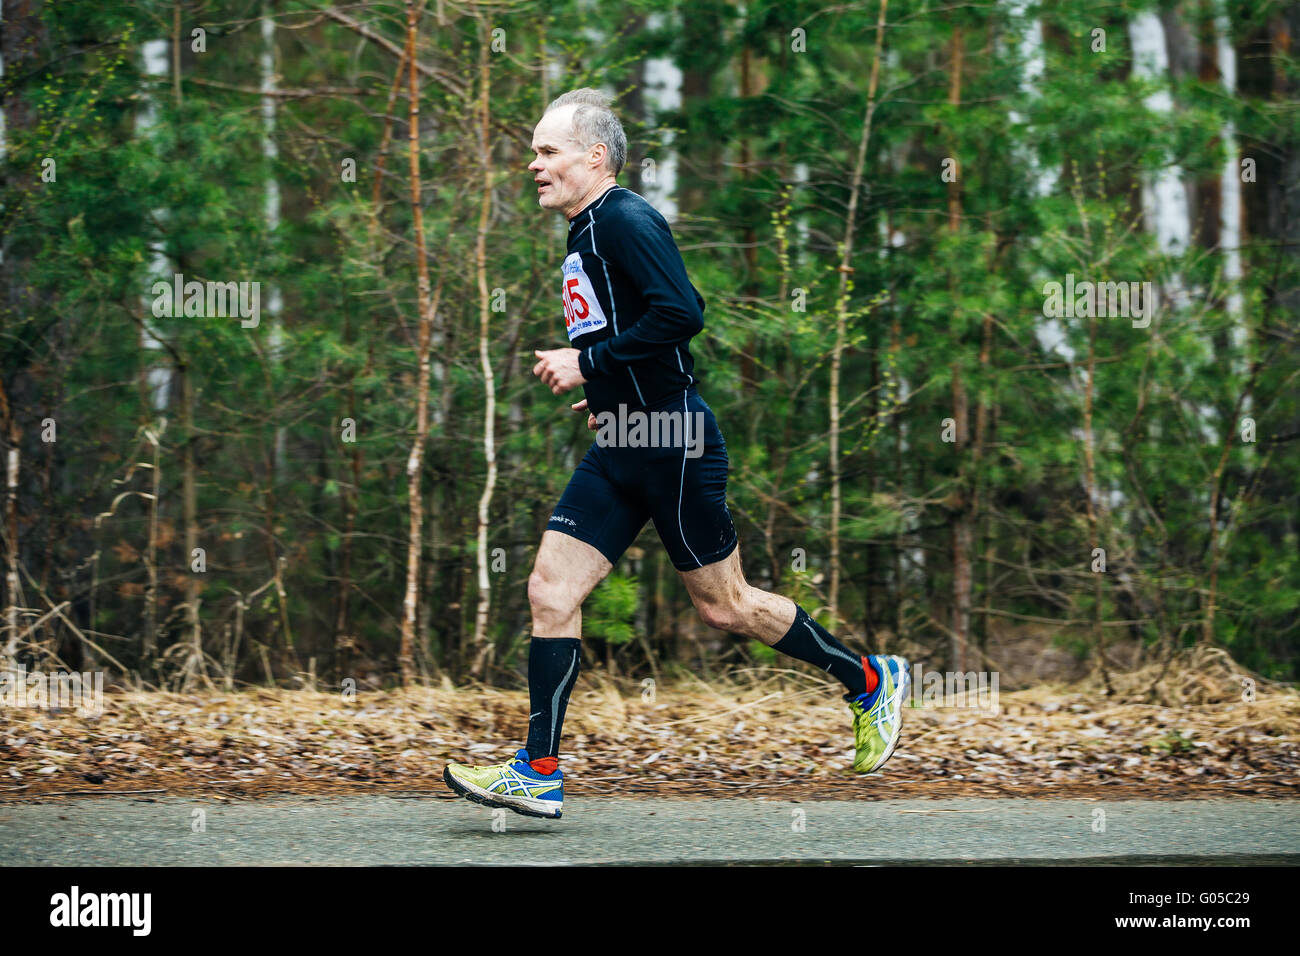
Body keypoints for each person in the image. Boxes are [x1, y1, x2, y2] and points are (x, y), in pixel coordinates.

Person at [443, 88, 908, 820]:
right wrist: (608, 386)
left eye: (547, 150)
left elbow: (683, 312)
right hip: (622, 439)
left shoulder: (624, 217)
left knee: (725, 608)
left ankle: (868, 680)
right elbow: (636, 327)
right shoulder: (584, 229)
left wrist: (589, 365)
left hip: (672, 441)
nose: (532, 163)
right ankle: (537, 771)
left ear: (594, 157)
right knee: (549, 593)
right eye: (533, 151)